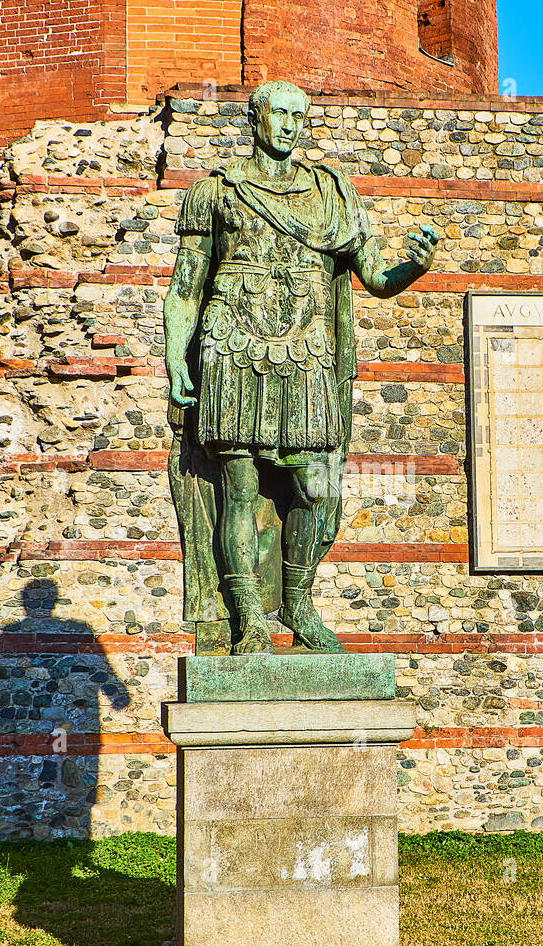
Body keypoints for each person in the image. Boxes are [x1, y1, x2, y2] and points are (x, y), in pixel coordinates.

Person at [164, 80, 439, 654]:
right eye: (279, 114)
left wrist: (413, 267)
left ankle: (297, 597)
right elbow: (187, 286)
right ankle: (248, 621)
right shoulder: (216, 191)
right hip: (231, 341)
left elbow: (377, 281)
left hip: (307, 347)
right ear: (255, 118)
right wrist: (174, 353)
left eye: (298, 116)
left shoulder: (332, 196)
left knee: (318, 487)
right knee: (238, 488)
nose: (289, 125)